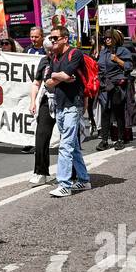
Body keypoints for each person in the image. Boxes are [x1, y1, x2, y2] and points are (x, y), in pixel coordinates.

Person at [44, 25, 90, 196]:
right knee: (74, 145)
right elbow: (47, 82)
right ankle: (84, 180)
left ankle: (64, 184)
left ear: (64, 39)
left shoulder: (75, 53)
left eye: (55, 38)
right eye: (51, 38)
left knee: (65, 145)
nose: (52, 41)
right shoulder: (54, 57)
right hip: (60, 105)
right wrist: (60, 77)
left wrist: (57, 77)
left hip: (73, 105)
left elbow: (66, 75)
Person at [95, 29, 134, 151]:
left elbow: (129, 66)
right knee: (105, 112)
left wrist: (117, 60)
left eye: (109, 38)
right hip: (104, 87)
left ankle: (120, 139)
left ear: (115, 39)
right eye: (105, 38)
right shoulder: (102, 52)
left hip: (117, 86)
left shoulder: (123, 51)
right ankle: (105, 140)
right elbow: (99, 68)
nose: (107, 40)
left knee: (118, 112)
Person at [28, 31, 57, 186]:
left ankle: (73, 172)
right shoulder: (44, 61)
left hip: (64, 101)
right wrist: (33, 101)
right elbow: (36, 82)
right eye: (47, 51)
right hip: (47, 101)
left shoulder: (65, 59)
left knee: (68, 139)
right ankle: (40, 172)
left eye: (51, 50)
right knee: (41, 136)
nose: (49, 53)